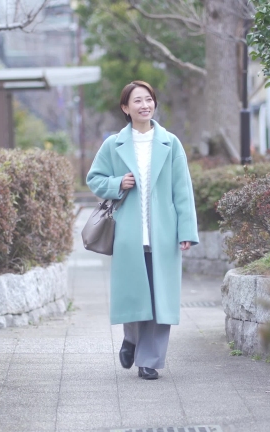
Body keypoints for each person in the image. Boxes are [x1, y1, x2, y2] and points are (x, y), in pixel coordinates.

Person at [86, 80, 199, 380]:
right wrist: (116, 184)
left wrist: (186, 231)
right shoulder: (113, 144)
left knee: (161, 298)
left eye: (148, 99)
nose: (144, 105)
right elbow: (94, 178)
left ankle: (149, 360)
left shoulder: (170, 143)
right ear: (125, 108)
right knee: (135, 294)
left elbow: (182, 191)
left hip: (163, 233)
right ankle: (132, 338)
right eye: (137, 100)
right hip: (128, 234)